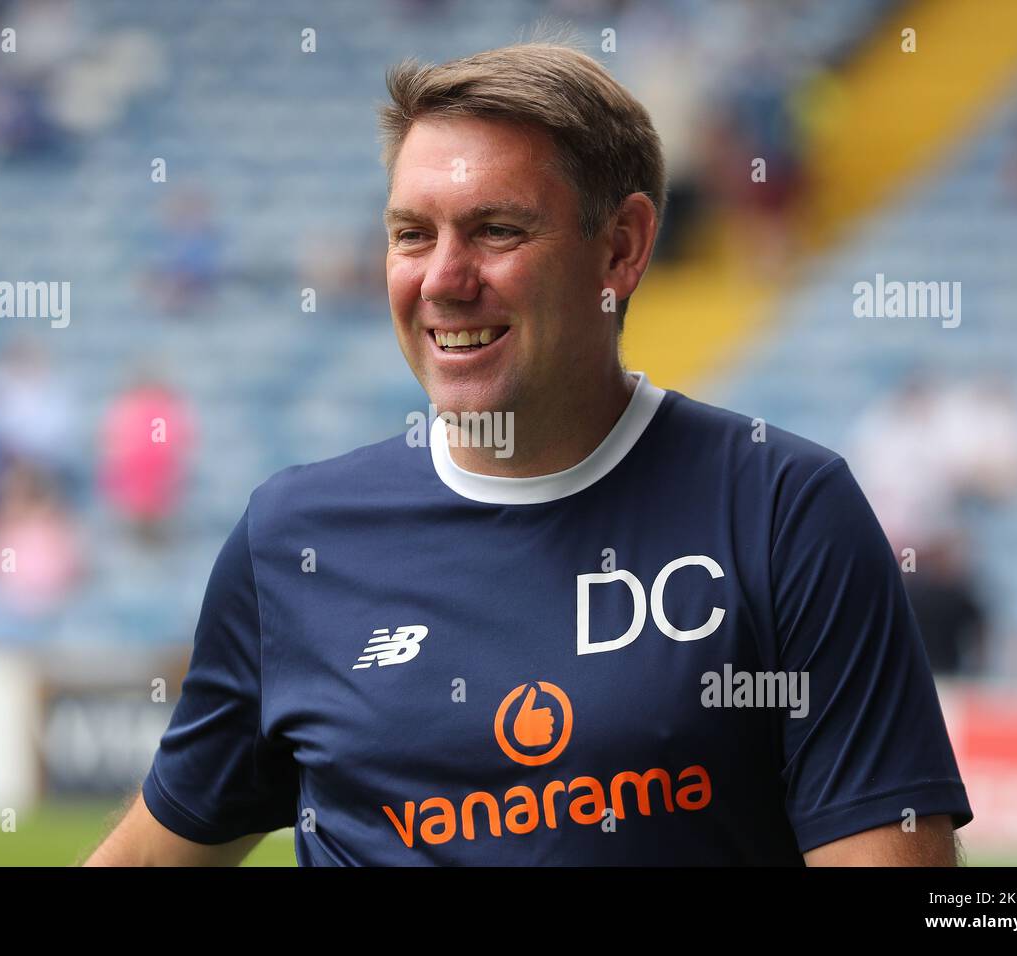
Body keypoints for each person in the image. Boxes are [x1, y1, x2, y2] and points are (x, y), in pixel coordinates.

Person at [87, 41, 971, 867]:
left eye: (497, 230)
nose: (442, 277)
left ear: (621, 247)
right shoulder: (294, 541)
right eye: (411, 234)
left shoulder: (785, 513)